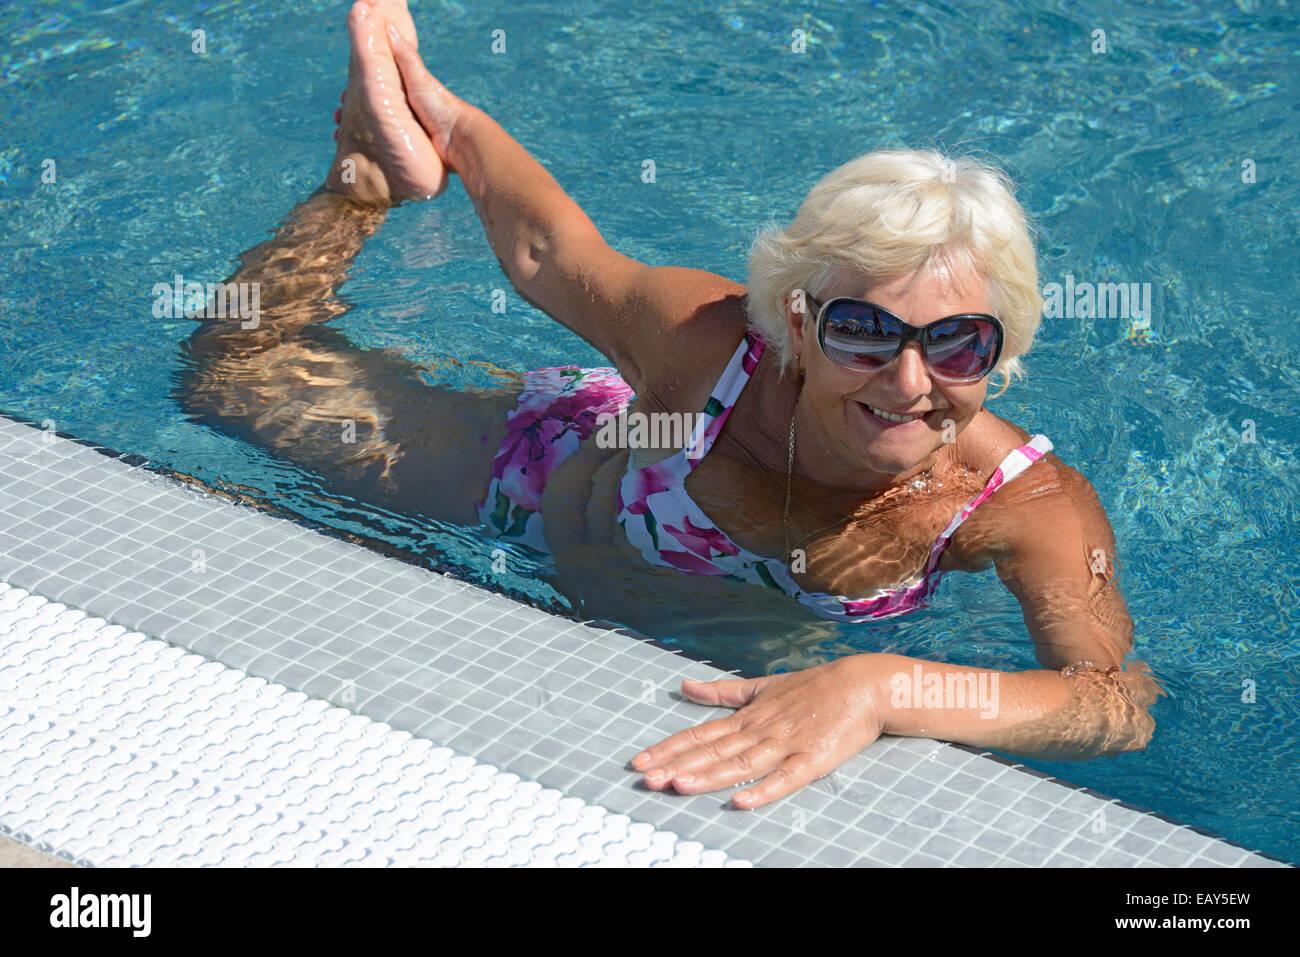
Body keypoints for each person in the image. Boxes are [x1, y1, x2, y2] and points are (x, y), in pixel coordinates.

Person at [177, 0, 1161, 810]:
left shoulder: (1024, 506)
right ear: (798, 319)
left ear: (1005, 348)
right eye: (863, 331)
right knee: (226, 371)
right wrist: (450, 132)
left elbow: (1115, 705)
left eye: (958, 344)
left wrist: (882, 686)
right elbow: (551, 257)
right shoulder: (712, 346)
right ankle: (359, 182)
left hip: (707, 645)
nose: (908, 383)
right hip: (533, 486)